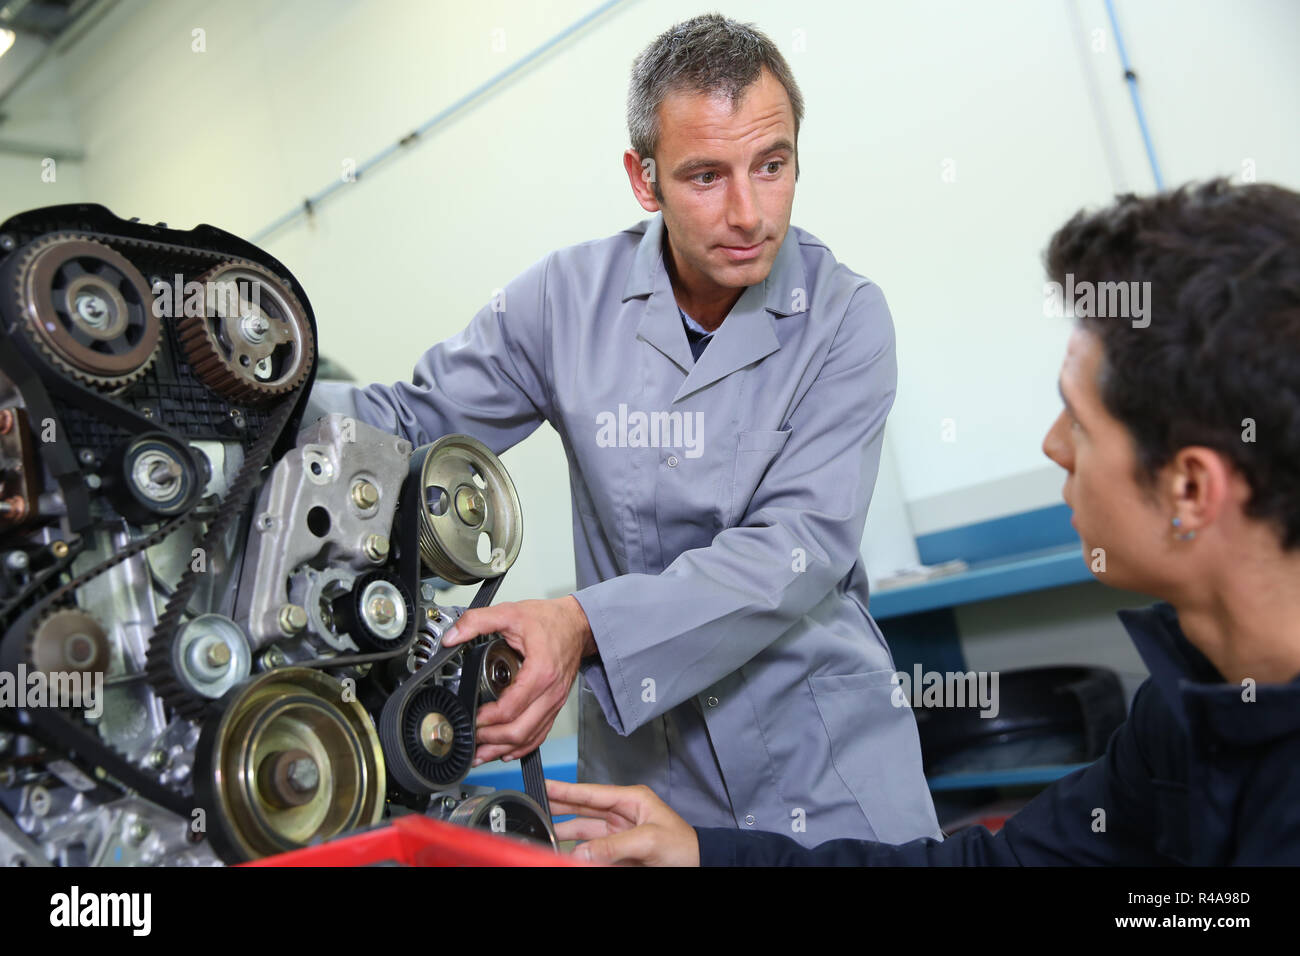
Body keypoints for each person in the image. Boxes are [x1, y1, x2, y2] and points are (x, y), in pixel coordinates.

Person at [306, 14, 940, 845]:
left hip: (823, 763)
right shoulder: (563, 301)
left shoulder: (848, 318)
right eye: (706, 176)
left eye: (773, 165)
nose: (749, 212)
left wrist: (583, 623)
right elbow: (412, 427)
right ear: (645, 181)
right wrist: (256, 405)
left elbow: (798, 545)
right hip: (646, 776)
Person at [544, 178, 1300, 866]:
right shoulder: (1191, 709)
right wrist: (710, 858)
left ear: (1192, 488)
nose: (1053, 445)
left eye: (1080, 420)